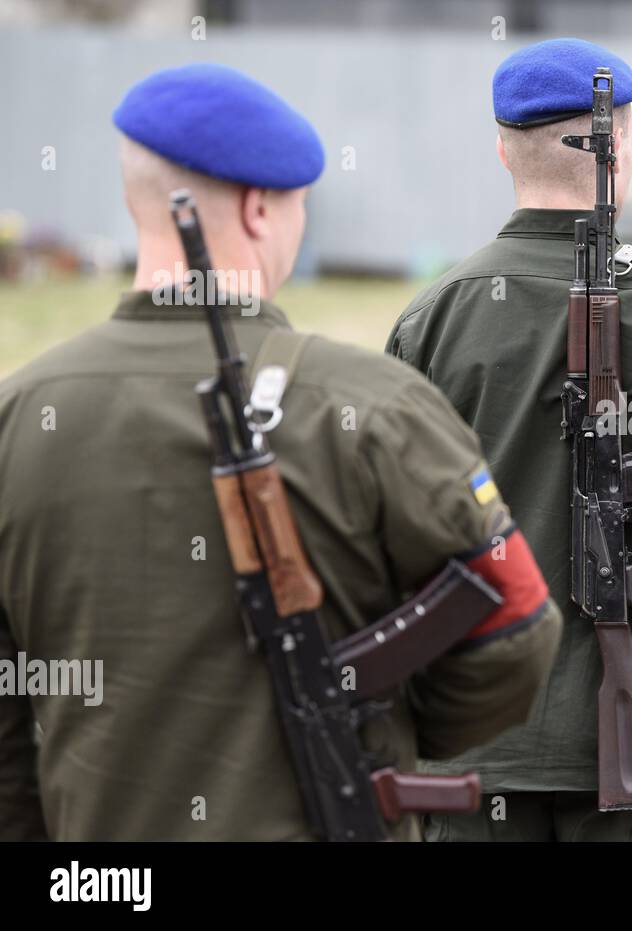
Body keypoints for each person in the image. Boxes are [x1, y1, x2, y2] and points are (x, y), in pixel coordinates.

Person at [0, 63, 560, 842]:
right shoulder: (378, 405)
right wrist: (367, 733)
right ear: (263, 209)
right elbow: (519, 629)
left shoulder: (21, 415)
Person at [388, 38, 632, 842]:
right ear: (624, 145)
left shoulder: (431, 319)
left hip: (475, 759)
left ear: (502, 149)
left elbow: (394, 549)